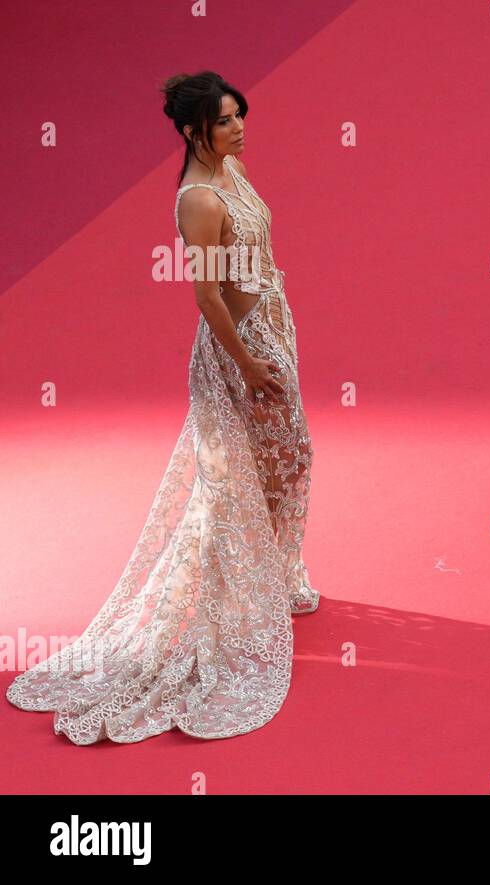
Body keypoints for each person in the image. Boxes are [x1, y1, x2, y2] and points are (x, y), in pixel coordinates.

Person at [6, 72, 319, 745]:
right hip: (237, 354)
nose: (239, 129)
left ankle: (270, 579)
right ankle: (232, 606)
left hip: (268, 329)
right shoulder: (197, 200)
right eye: (225, 120)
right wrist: (247, 362)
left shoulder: (231, 167)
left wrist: (275, 324)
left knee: (290, 460)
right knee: (244, 476)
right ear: (190, 129)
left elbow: (257, 256)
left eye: (240, 116)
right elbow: (207, 298)